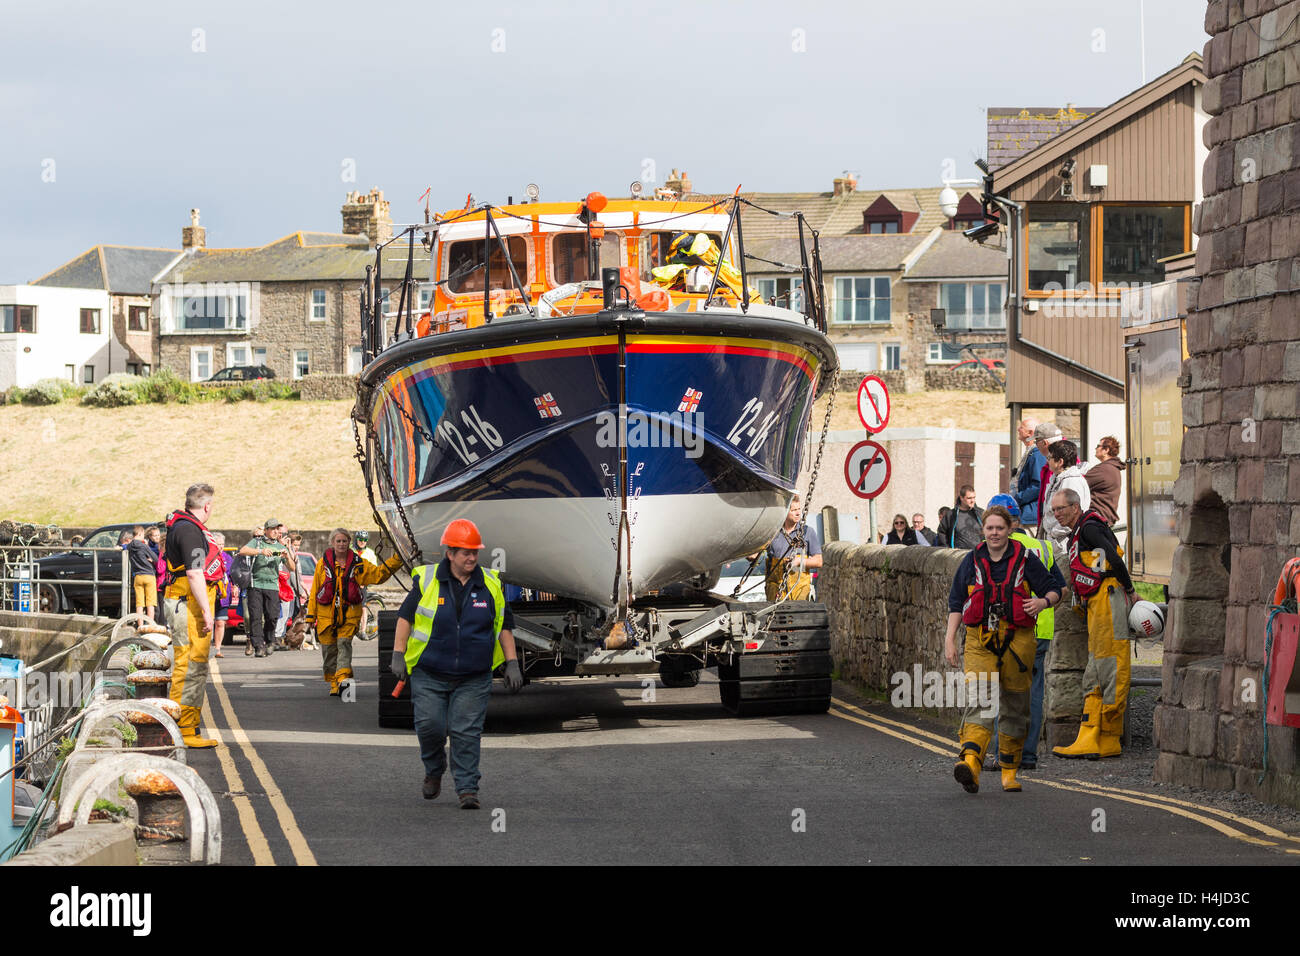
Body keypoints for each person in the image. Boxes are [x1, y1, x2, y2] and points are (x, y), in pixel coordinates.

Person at [390, 519, 523, 808]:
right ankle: (434, 769)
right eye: (465, 552)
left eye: (475, 552)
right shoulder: (426, 580)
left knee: (466, 731)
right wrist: (398, 654)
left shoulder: (490, 583)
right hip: (429, 672)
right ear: (449, 554)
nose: (472, 558)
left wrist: (511, 663)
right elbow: (405, 618)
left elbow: (504, 626)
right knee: (430, 727)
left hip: (473, 676)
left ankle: (467, 789)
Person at [944, 505, 1062, 793]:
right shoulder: (971, 561)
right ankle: (971, 762)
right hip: (980, 639)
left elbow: (1055, 589)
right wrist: (949, 640)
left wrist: (1042, 603)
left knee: (1015, 705)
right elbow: (957, 603)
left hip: (1018, 640)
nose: (994, 533)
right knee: (981, 699)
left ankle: (1009, 771)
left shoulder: (1026, 558)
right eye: (989, 528)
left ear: (1010, 529)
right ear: (983, 530)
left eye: (1000, 528)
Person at [1050, 488, 1136, 760]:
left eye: (1060, 509)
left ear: (1075, 507)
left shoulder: (1089, 528)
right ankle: (1097, 735)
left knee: (1110, 664)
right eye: (1054, 511)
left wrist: (1131, 590)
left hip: (1109, 597)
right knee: (1097, 668)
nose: (1056, 515)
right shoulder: (1081, 531)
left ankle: (1104, 735)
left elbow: (1113, 557)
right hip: (1099, 602)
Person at [984, 494, 1064, 771]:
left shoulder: (995, 549)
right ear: (1018, 519)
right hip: (1041, 630)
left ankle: (1002, 754)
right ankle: (1028, 755)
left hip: (1009, 631)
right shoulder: (1042, 547)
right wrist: (1042, 603)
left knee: (1004, 693)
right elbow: (1061, 589)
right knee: (1033, 692)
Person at [161, 483, 226, 748]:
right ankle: (182, 729)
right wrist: (208, 614)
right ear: (207, 506)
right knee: (189, 667)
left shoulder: (183, 525)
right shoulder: (189, 530)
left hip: (186, 603)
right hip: (189, 606)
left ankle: (187, 726)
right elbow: (194, 573)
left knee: (193, 666)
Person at [306, 528, 404, 695]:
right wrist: (310, 617)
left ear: (349, 543)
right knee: (329, 652)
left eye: (345, 541)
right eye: (338, 541)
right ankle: (334, 682)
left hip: (350, 613)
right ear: (332, 543)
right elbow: (315, 590)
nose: (342, 544)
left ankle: (344, 684)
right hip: (325, 615)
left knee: (344, 645)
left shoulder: (358, 564)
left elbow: (379, 574)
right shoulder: (323, 564)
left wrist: (398, 559)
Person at [238, 519, 297, 657]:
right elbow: (243, 551)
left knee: (272, 615)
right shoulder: (258, 542)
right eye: (273, 529)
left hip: (272, 585)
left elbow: (292, 567)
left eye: (278, 529)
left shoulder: (280, 546)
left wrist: (287, 556)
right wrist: (260, 551)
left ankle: (270, 641)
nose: (276, 531)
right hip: (255, 584)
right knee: (256, 617)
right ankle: (258, 646)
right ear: (266, 530)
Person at [761, 494, 822, 601]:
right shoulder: (772, 533)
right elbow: (756, 554)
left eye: (799, 509)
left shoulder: (808, 532)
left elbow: (819, 561)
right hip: (776, 592)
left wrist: (799, 561)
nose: (798, 513)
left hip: (801, 592)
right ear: (784, 512)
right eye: (794, 510)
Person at [1039, 440, 1091, 558]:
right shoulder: (1058, 478)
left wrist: (1054, 533)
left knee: (1063, 575)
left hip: (1064, 545)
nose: (1047, 461)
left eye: (1050, 458)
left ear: (1060, 462)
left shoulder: (1071, 481)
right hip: (1055, 543)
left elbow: (1073, 515)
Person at [1084, 436, 1125, 525]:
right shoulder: (1113, 468)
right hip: (1104, 518)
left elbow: (1079, 484)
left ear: (1106, 450)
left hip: (1096, 519)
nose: (1096, 448)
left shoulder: (1103, 469)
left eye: (1098, 446)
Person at [1014, 418, 1047, 528]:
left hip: (1031, 514)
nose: (1018, 429)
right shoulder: (1031, 453)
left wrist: (1017, 498)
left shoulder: (1037, 454)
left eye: (1021, 427)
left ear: (1030, 433)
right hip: (1027, 512)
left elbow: (1038, 484)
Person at [126, 526, 159, 627]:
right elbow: (156, 558)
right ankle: (150, 626)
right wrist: (150, 559)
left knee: (139, 604)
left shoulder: (129, 546)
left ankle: (140, 626)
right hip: (149, 575)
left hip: (137, 576)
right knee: (150, 603)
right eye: (143, 534)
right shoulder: (143, 546)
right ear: (140, 534)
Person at [1032, 423, 1063, 522]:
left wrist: (1054, 531)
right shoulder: (1053, 461)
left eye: (1036, 442)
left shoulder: (1062, 462)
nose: (1036, 446)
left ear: (1045, 442)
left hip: (1057, 529)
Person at [936, 485, 984, 550]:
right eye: (969, 498)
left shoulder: (980, 513)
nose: (972, 501)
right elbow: (941, 533)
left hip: (978, 555)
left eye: (974, 497)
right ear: (961, 498)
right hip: (959, 556)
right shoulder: (951, 515)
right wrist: (947, 550)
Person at [211, 532, 234, 659]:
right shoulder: (207, 557)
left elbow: (232, 574)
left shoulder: (228, 558)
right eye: (218, 544)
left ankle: (217, 648)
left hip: (223, 595)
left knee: (220, 622)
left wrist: (235, 585)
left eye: (222, 544)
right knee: (207, 623)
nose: (220, 547)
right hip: (209, 593)